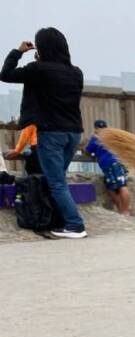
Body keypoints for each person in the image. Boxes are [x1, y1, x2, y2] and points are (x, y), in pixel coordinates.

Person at [1, 28, 86, 238]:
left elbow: (6, 74)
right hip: (73, 133)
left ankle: (75, 226)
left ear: (42, 48)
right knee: (57, 180)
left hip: (51, 133)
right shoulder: (76, 72)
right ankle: (57, 220)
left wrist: (19, 51)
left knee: (56, 181)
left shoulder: (38, 70)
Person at [85, 120, 131, 215]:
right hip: (119, 162)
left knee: (118, 187)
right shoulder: (113, 136)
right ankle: (123, 210)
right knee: (118, 186)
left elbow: (87, 150)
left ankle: (124, 211)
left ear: (96, 128)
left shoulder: (96, 138)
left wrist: (92, 137)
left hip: (109, 164)